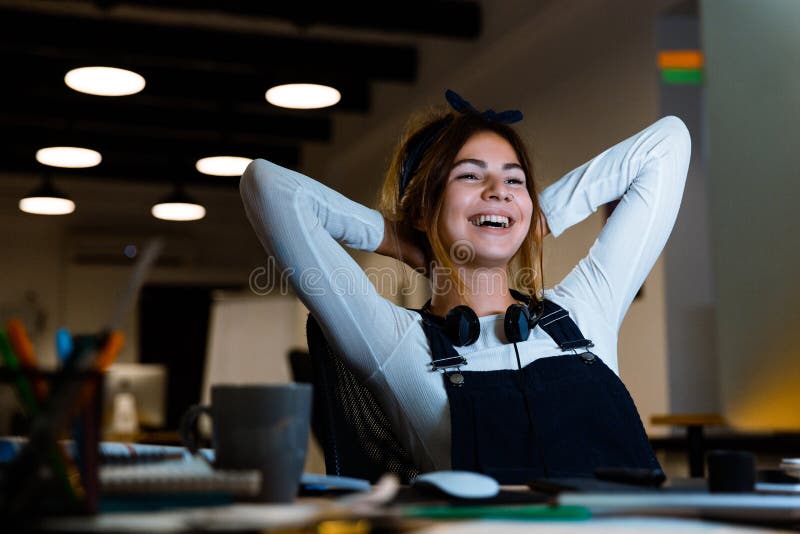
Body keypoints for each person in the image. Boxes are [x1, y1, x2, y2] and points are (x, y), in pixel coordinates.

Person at [240, 90, 691, 484]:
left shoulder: (585, 310)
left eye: (514, 180)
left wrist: (535, 220)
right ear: (424, 209)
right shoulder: (396, 344)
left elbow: (668, 143)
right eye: (471, 175)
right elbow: (269, 187)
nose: (498, 190)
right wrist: (400, 238)